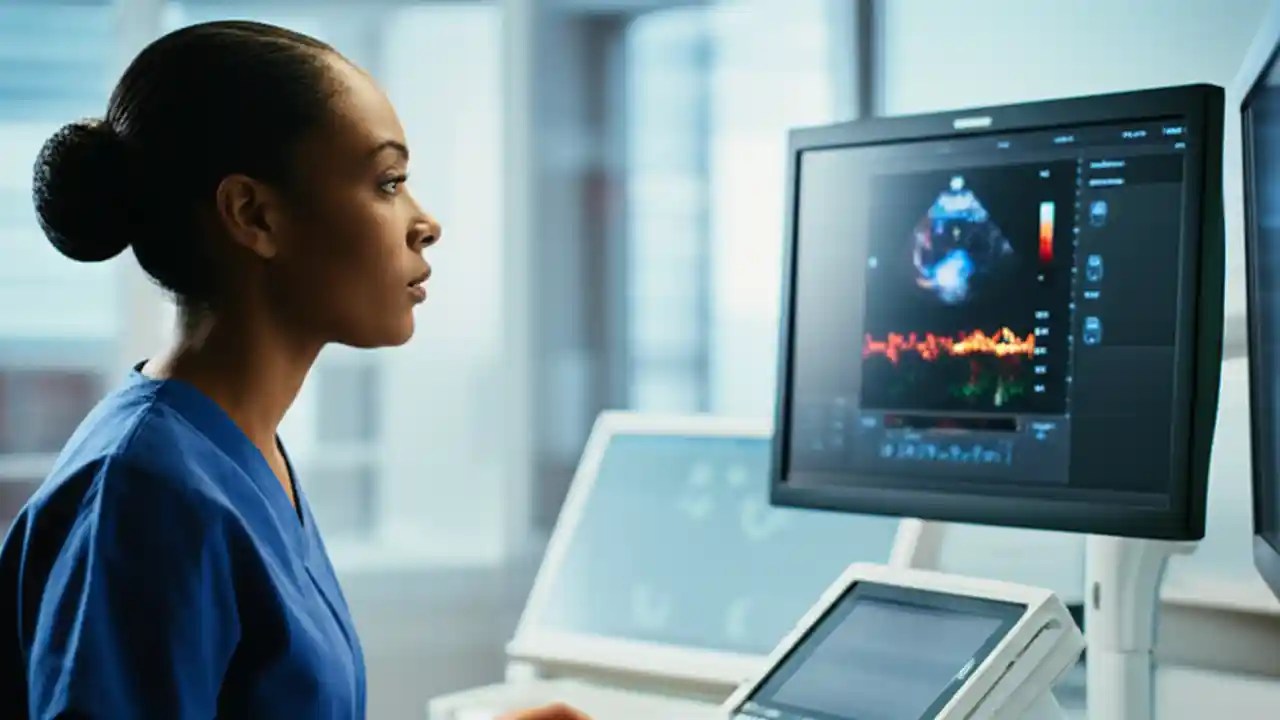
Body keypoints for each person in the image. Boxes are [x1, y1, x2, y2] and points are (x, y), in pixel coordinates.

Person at [0, 20, 590, 720]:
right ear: (254, 215)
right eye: (388, 181)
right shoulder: (145, 492)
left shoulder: (239, 452)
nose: (424, 221)